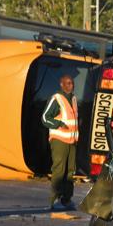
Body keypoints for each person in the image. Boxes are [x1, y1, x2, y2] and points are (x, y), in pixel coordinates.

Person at [41, 74, 79, 210]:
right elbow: (45, 118)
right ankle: (54, 200)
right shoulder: (57, 98)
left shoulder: (73, 98)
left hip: (72, 140)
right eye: (68, 83)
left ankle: (66, 199)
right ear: (61, 84)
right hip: (59, 140)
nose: (71, 85)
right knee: (59, 170)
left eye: (72, 83)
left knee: (70, 171)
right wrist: (59, 124)